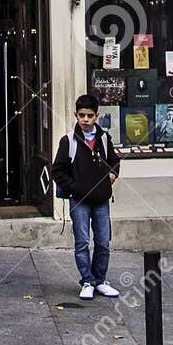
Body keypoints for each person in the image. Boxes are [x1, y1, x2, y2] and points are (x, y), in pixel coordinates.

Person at [51, 93, 120, 301]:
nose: (86, 119)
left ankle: (100, 280)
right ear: (76, 115)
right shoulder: (68, 141)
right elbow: (58, 170)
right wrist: (74, 188)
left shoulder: (104, 138)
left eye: (90, 115)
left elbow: (114, 161)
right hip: (79, 201)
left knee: (103, 241)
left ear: (97, 116)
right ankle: (87, 281)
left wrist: (112, 174)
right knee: (82, 242)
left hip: (100, 200)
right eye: (81, 115)